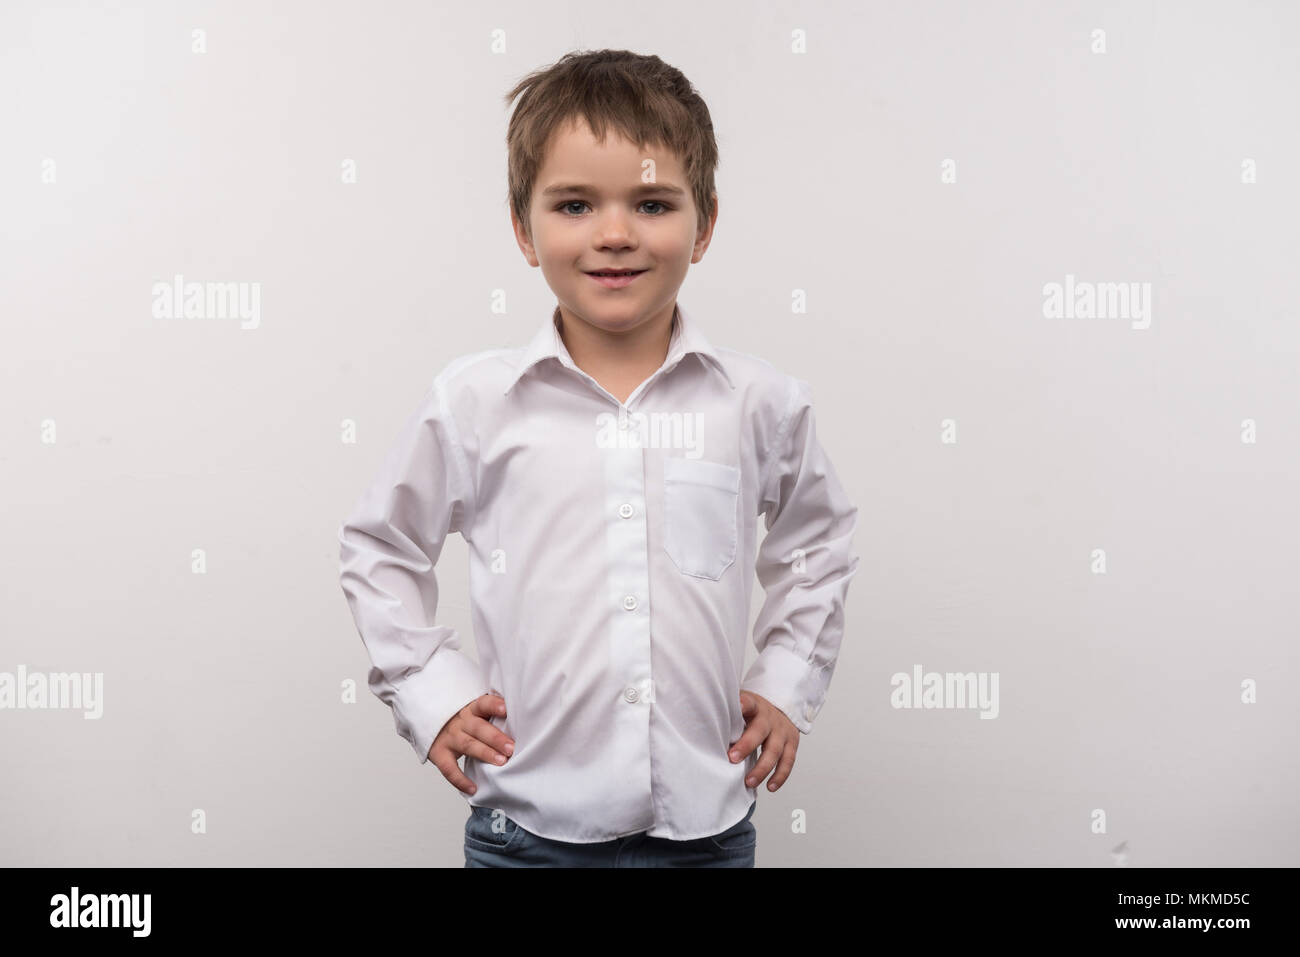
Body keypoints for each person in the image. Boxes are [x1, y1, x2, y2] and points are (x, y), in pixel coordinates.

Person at [337, 49, 860, 867]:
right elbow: (380, 545)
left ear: (706, 223)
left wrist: (788, 680)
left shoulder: (758, 404)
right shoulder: (474, 403)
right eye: (575, 204)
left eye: (652, 203)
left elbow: (818, 543)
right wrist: (430, 693)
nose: (615, 234)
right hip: (526, 832)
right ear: (523, 227)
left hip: (705, 829)